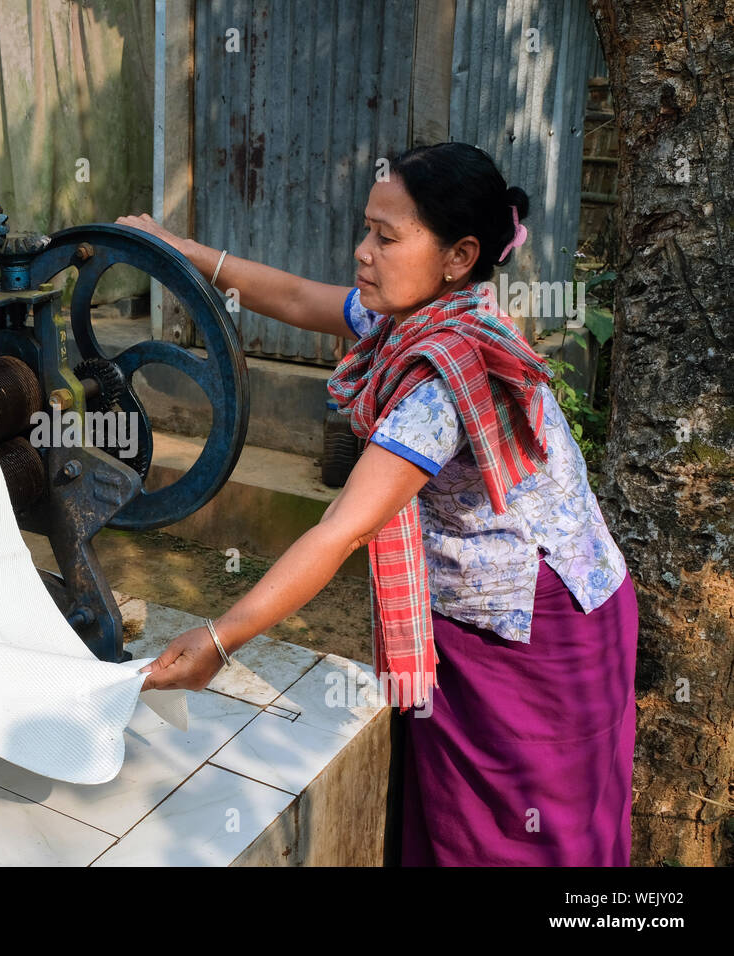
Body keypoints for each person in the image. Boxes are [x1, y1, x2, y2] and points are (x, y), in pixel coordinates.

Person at [124, 141, 639, 866]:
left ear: (458, 256)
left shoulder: (443, 377)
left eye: (386, 238)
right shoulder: (415, 317)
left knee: (520, 841)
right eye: (368, 229)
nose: (363, 252)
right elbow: (298, 297)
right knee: (455, 820)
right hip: (496, 612)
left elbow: (340, 529)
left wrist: (219, 640)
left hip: (539, 635)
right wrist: (175, 250)